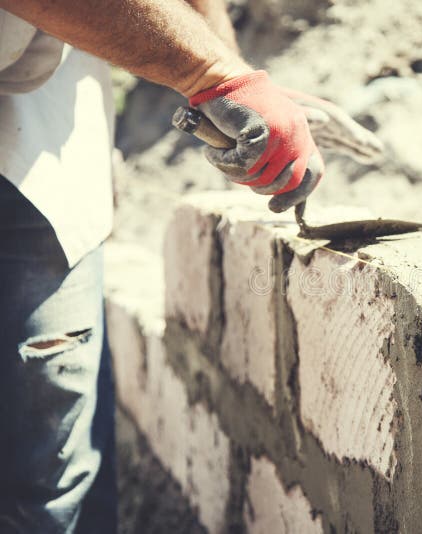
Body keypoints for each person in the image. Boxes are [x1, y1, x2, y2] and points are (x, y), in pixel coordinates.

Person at [0, 1, 379, 531]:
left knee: (65, 471)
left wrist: (240, 78)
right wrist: (212, 76)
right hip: (20, 182)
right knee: (38, 496)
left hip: (42, 159)